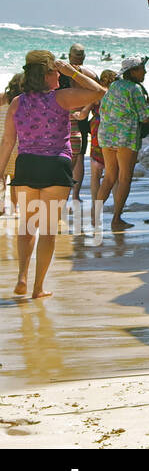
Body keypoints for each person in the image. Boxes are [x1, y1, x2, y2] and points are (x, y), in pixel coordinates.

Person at [0, 51, 105, 298]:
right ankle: (38, 288)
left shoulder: (17, 102)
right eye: (56, 70)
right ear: (48, 75)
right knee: (47, 230)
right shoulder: (63, 98)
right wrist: (74, 72)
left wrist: (0, 171)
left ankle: (21, 277)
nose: (60, 73)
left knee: (27, 227)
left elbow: (7, 142)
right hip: (55, 166)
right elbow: (99, 92)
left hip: (27, 166)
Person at [97, 56, 149, 233]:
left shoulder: (114, 86)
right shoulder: (135, 89)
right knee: (124, 178)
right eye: (142, 68)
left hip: (106, 135)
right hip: (126, 137)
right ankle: (116, 219)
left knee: (109, 177)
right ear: (133, 71)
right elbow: (145, 117)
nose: (145, 72)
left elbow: (102, 110)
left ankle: (94, 216)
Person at [61, 44, 98, 202]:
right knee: (80, 158)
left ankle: (63, 194)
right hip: (80, 117)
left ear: (69, 56)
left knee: (61, 155)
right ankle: (75, 196)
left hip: (61, 117)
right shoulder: (90, 74)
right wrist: (85, 110)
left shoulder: (59, 73)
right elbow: (98, 93)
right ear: (83, 57)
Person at [87, 69, 116, 207]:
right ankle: (118, 204)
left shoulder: (97, 94)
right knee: (115, 173)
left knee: (95, 173)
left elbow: (84, 112)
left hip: (96, 127)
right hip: (112, 128)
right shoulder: (116, 94)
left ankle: (95, 205)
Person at [0, 74, 21, 212]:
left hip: (2, 139)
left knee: (1, 176)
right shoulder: (22, 101)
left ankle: (1, 205)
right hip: (17, 141)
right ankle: (14, 209)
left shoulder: (2, 97)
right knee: (15, 179)